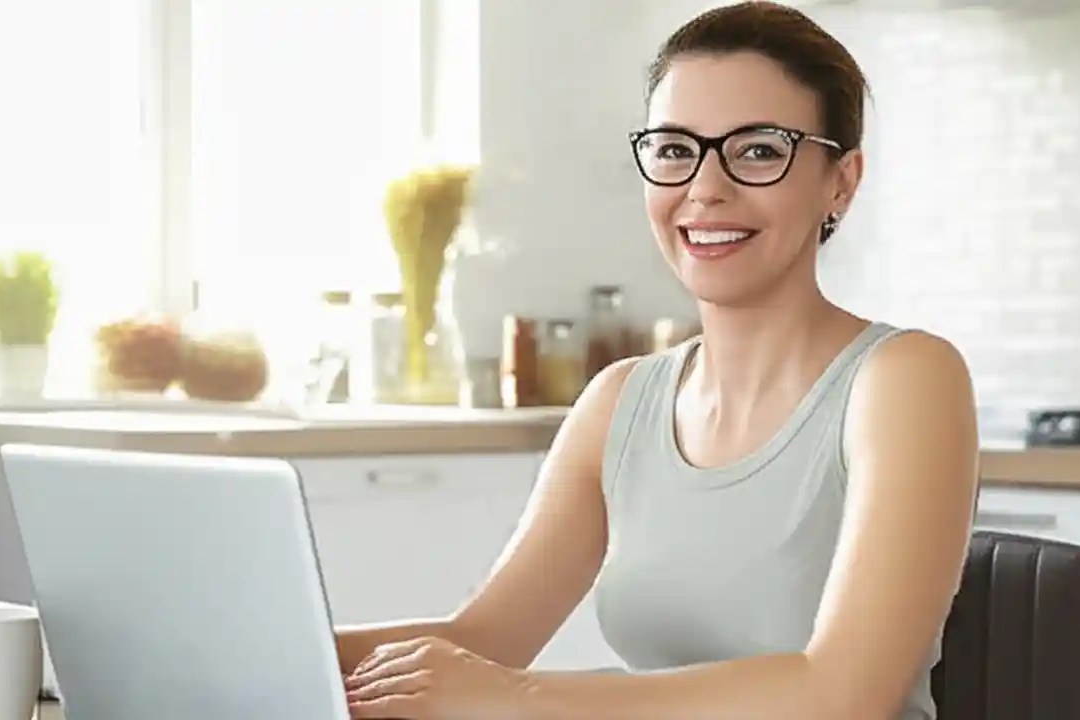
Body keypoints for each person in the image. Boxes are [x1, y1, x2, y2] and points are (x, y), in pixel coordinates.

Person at [335, 2, 980, 718]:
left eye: (758, 151)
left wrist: (516, 698)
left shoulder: (903, 380)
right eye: (675, 149)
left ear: (842, 181)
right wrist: (271, 646)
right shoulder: (620, 402)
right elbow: (481, 641)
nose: (705, 188)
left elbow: (842, 693)